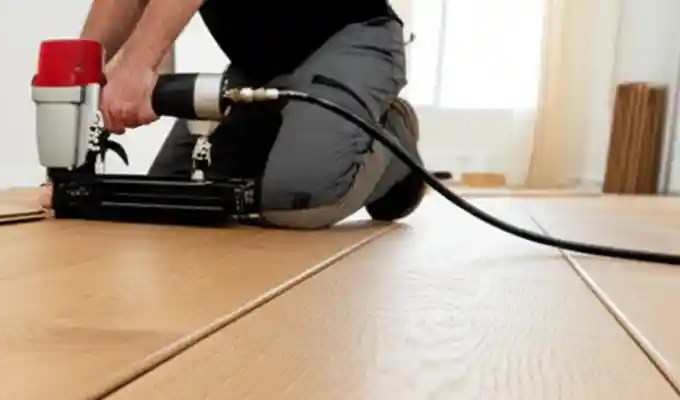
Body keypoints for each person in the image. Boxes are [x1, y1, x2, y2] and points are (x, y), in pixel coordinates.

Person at [56, 0, 426, 229]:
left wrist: (137, 65)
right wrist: (80, 75)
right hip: (257, 67)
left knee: (298, 201)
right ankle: (296, 140)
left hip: (351, 36)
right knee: (175, 196)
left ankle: (395, 141)